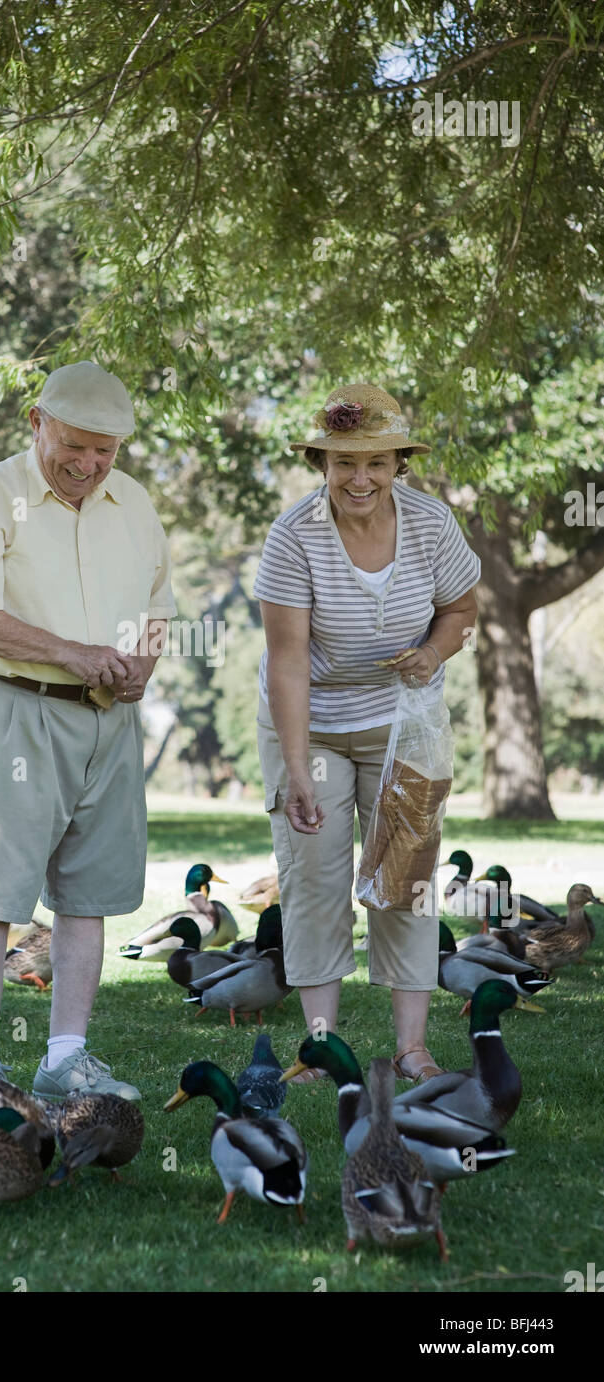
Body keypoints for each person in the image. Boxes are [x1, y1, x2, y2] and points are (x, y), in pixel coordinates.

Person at [0, 360, 176, 1100]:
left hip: (108, 718)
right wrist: (74, 654)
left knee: (88, 894)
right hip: (12, 708)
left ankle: (65, 1059)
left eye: (105, 450)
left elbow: (157, 605)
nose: (88, 463)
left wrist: (141, 662)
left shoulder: (132, 503)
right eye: (74, 444)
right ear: (36, 422)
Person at [254, 382, 479, 1084]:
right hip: (310, 725)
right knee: (314, 881)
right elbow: (285, 660)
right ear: (320, 462)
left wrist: (433, 651)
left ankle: (411, 1048)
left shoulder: (432, 523)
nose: (359, 478)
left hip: (401, 723)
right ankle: (321, 1048)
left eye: (375, 463)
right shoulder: (293, 536)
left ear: (397, 465)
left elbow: (461, 610)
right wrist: (295, 770)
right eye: (343, 463)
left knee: (405, 880)